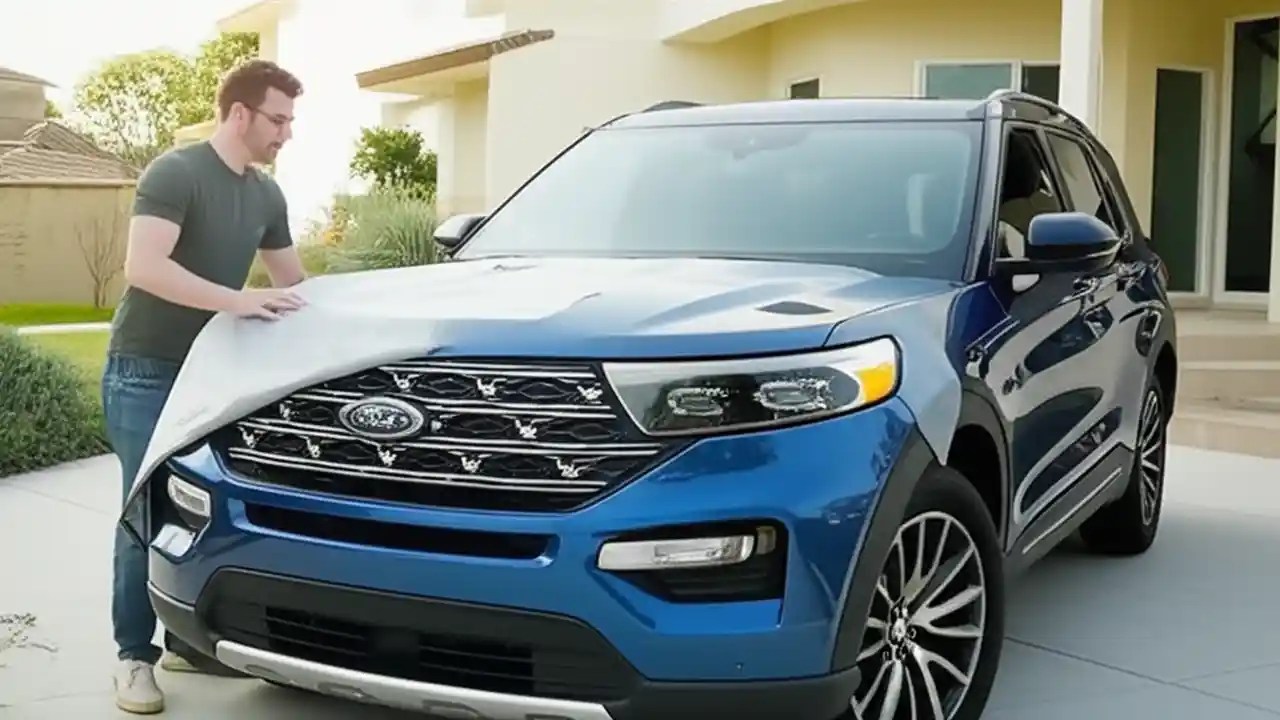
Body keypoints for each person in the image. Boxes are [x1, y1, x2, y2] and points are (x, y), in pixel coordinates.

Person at [105, 59, 309, 715]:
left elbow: (296, 288)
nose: (286, 135)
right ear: (240, 114)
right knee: (145, 514)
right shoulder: (176, 172)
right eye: (278, 120)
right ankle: (134, 658)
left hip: (213, 378)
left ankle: (185, 644)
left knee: (200, 510)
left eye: (291, 122)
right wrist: (236, 301)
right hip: (144, 369)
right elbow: (144, 268)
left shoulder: (266, 196)